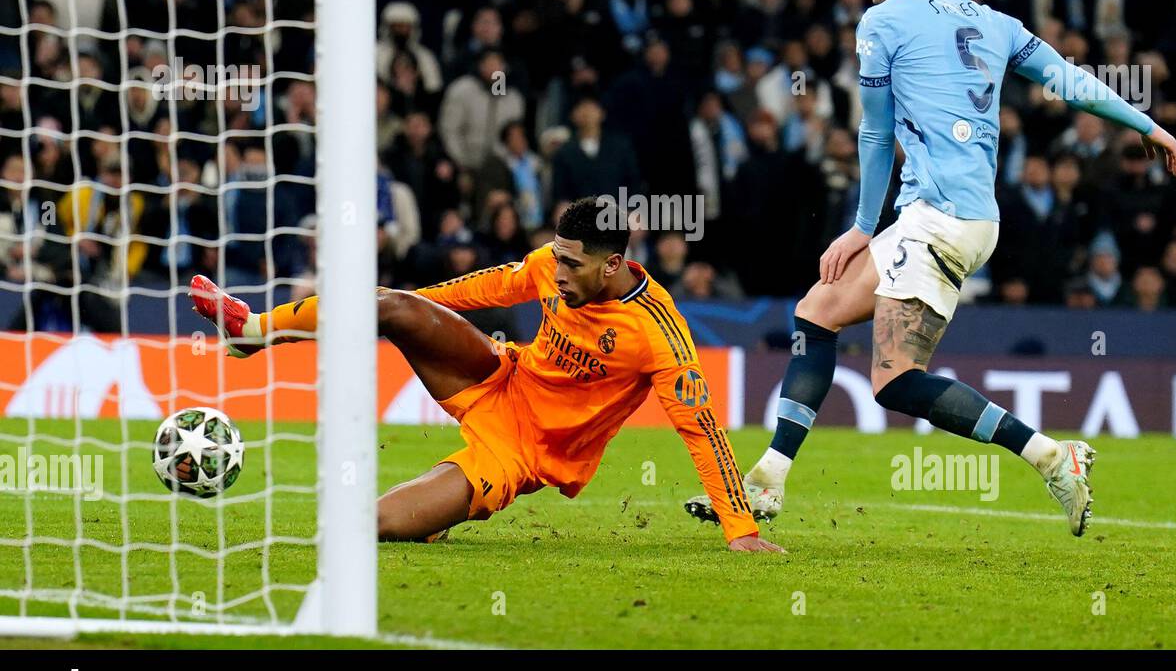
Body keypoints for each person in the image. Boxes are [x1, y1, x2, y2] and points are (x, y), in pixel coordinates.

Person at [686, 0, 1176, 537]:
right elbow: (1068, 79)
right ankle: (768, 479)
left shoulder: (883, 21)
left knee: (894, 382)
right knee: (817, 311)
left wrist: (863, 225)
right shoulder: (993, 20)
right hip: (963, 216)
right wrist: (1146, 123)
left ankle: (1052, 456)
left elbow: (874, 133)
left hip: (935, 218)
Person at [191, 197, 782, 553]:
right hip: (499, 376)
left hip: (522, 452)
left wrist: (740, 529)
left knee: (365, 524)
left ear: (615, 265)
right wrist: (410, 310)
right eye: (556, 257)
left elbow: (700, 428)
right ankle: (252, 330)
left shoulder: (657, 331)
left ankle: (430, 511)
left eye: (573, 265)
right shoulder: (552, 266)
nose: (559, 274)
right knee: (392, 305)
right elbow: (483, 288)